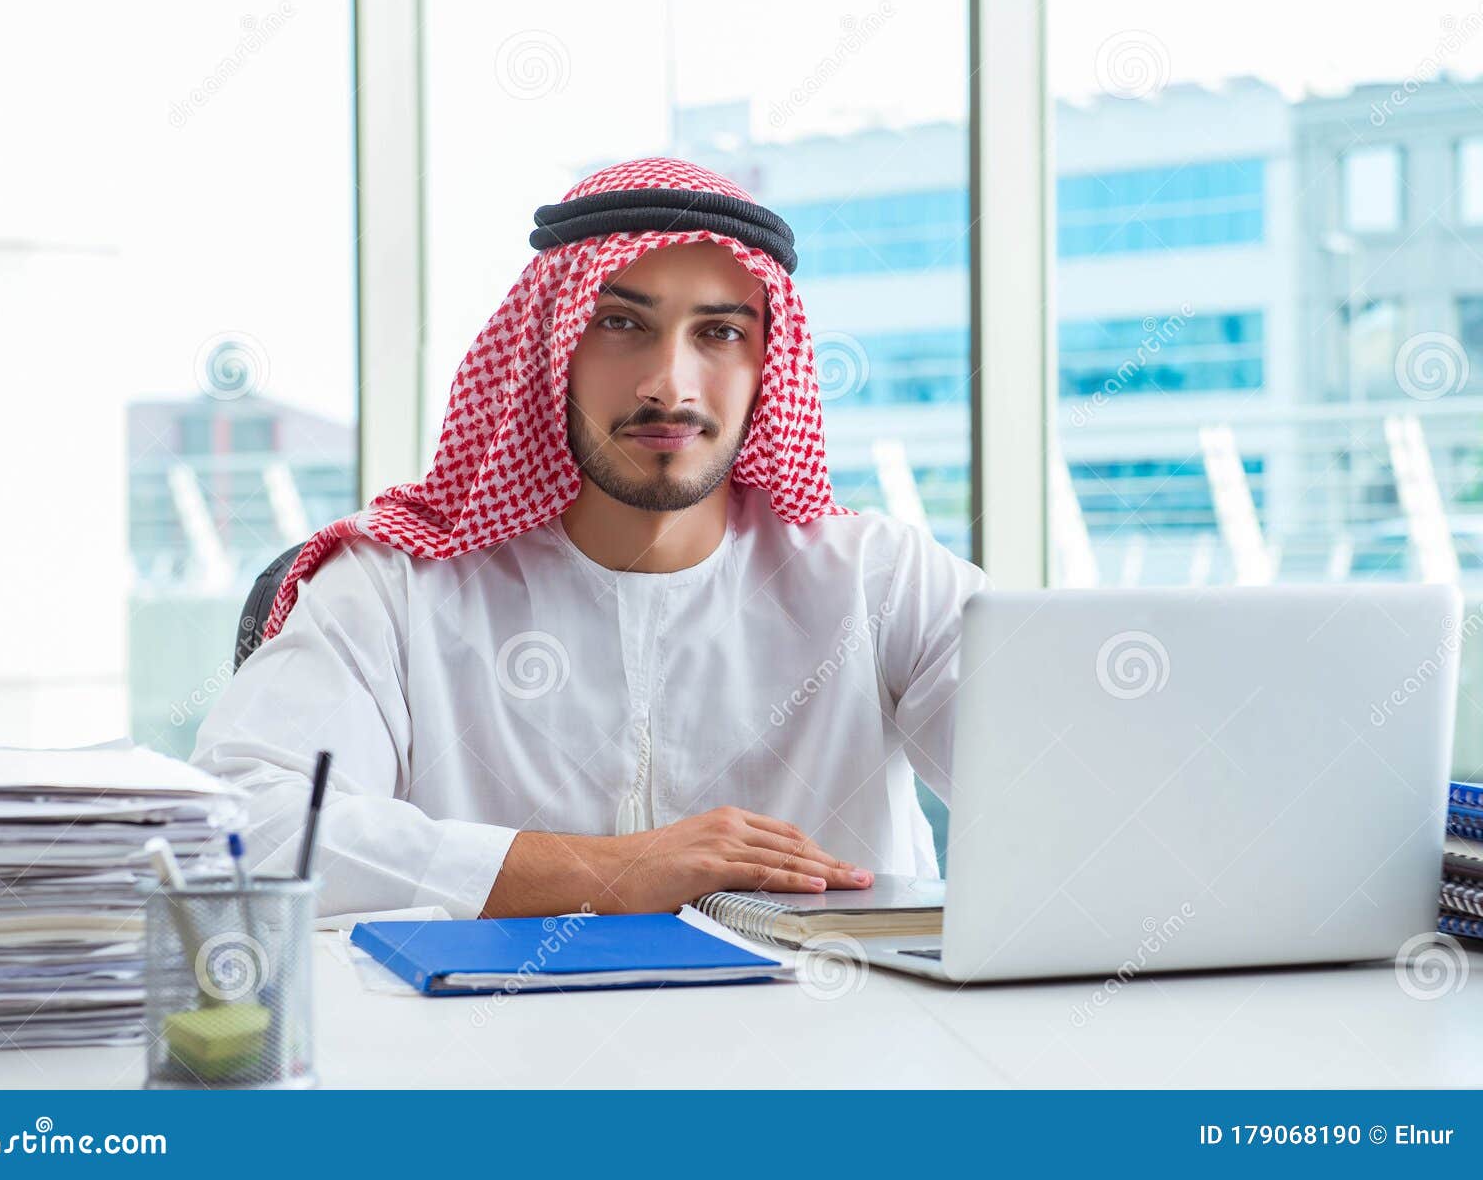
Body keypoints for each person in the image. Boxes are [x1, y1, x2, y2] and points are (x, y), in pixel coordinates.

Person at [192, 157, 990, 919]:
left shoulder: (879, 581)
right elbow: (238, 828)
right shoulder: (396, 584)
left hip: (841, 1053)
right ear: (552, 347)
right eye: (620, 323)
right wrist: (608, 871)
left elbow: (1075, 799)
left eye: (718, 334)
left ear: (766, 365)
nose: (669, 385)